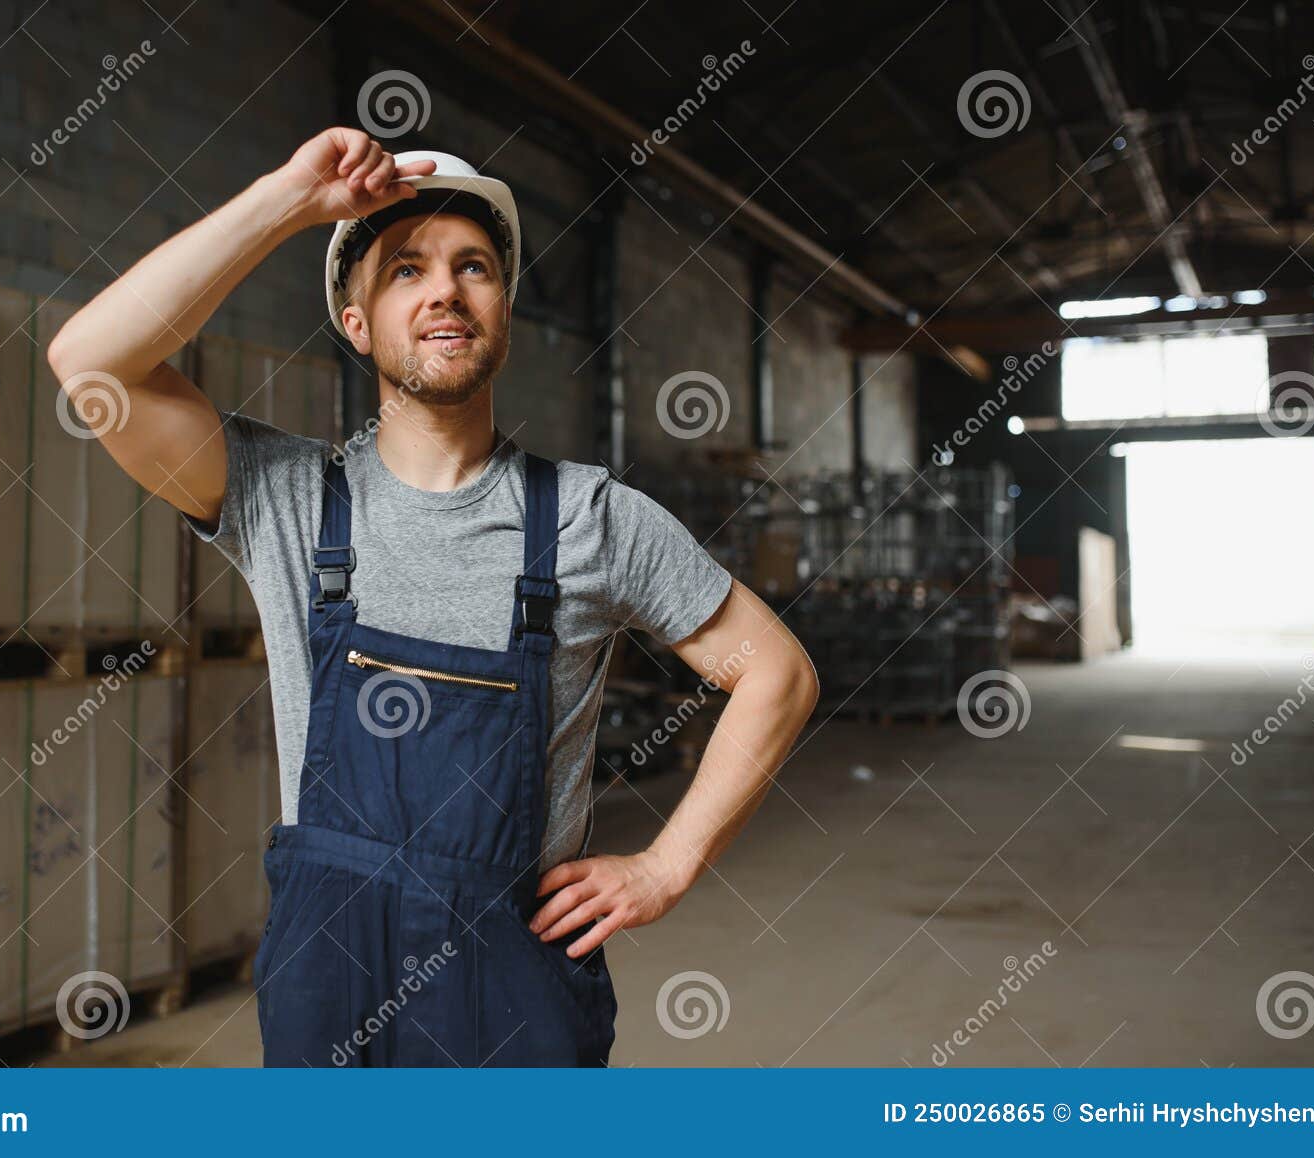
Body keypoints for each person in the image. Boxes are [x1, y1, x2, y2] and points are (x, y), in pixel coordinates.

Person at [47, 126, 819, 1067]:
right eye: (406, 269)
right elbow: (90, 363)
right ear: (357, 322)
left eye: (475, 268)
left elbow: (775, 673)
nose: (446, 289)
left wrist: (668, 864)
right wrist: (288, 200)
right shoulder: (284, 501)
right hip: (330, 988)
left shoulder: (591, 518)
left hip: (514, 999)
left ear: (502, 309)